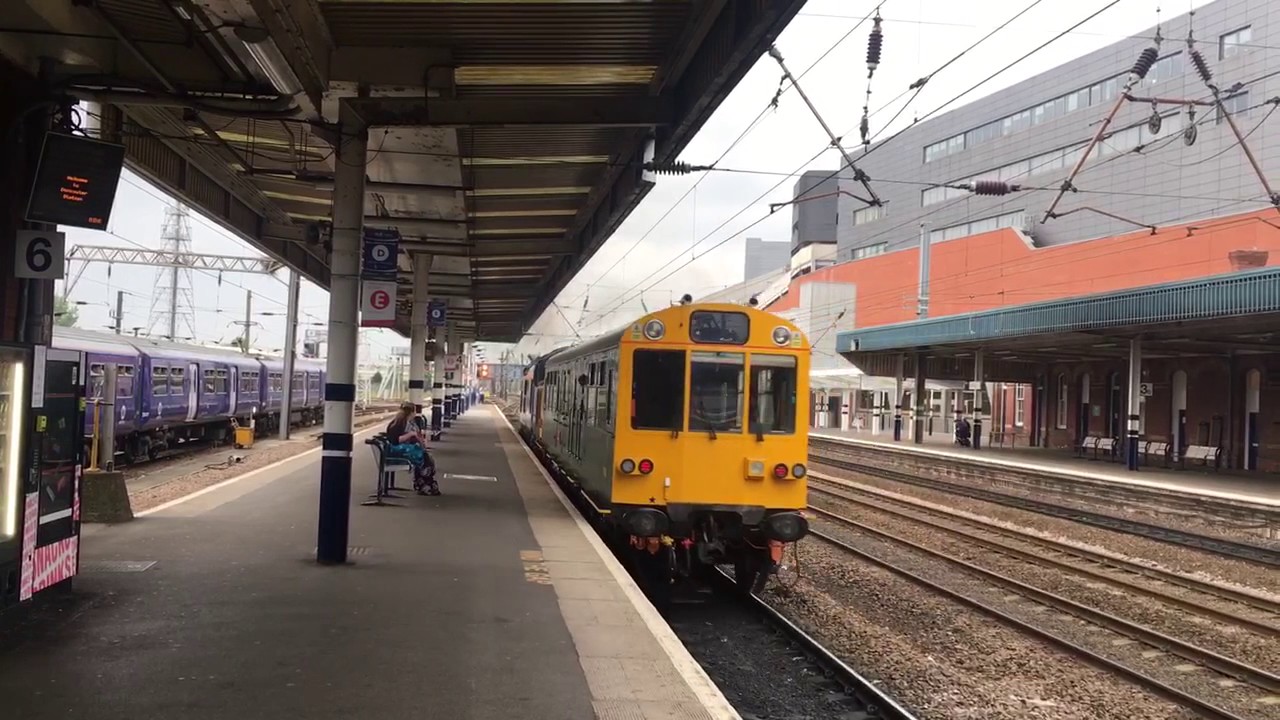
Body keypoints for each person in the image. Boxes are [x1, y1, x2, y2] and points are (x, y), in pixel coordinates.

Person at [386, 402, 440, 496]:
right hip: (396, 451)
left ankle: (424, 483)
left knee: (425, 457)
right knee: (423, 457)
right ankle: (425, 484)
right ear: (411, 412)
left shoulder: (409, 423)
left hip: (401, 450)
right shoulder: (398, 423)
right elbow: (396, 440)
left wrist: (420, 440)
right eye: (415, 411)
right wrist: (411, 435)